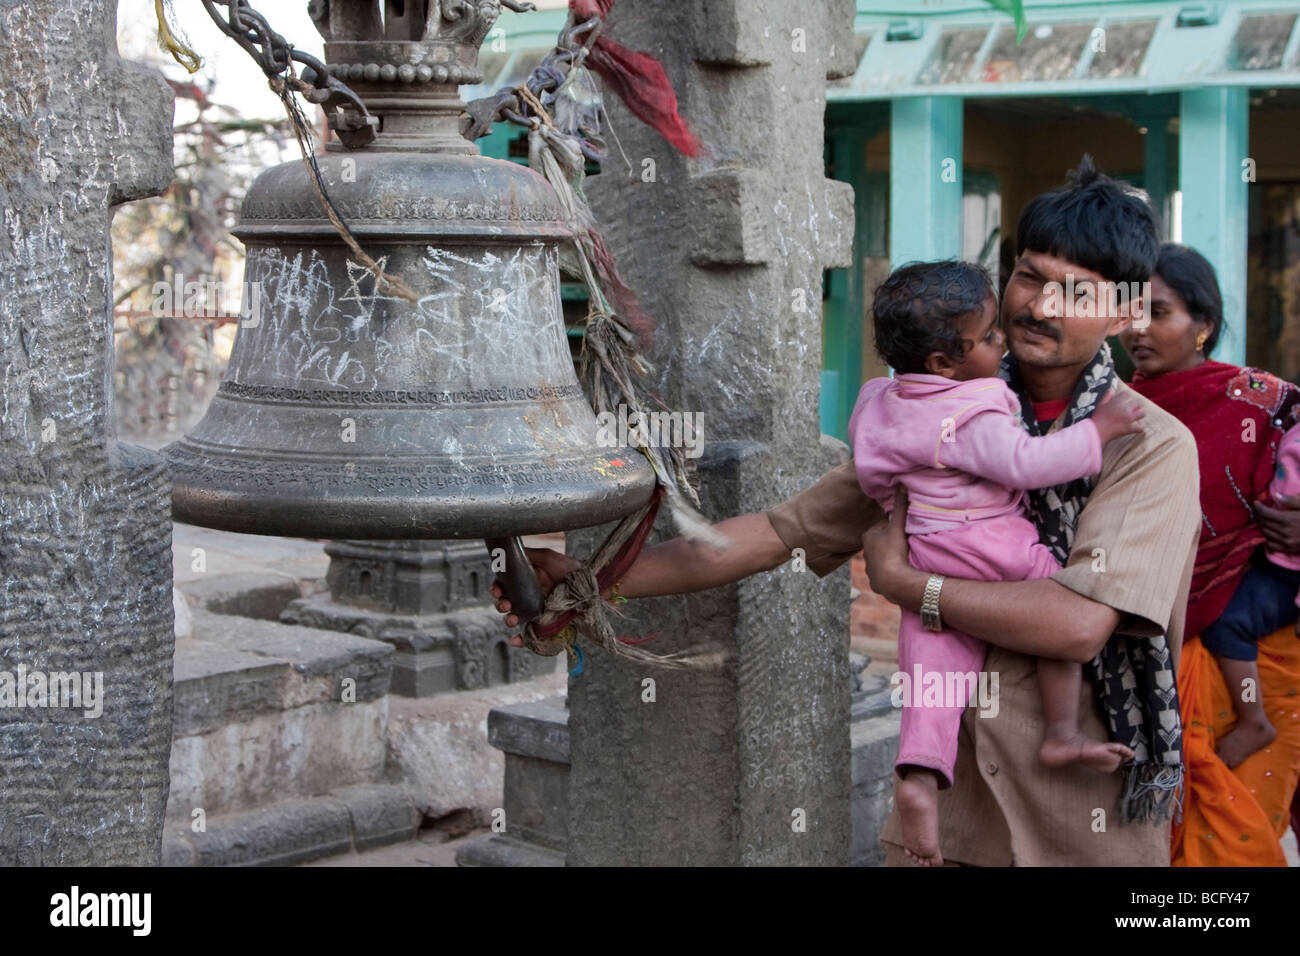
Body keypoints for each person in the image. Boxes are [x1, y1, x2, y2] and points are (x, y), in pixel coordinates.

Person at [495, 155, 1201, 866]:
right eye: (1031, 277)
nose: (1041, 307)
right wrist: (586, 578)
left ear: (1122, 312)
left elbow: (1077, 627)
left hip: (1075, 824)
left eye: (1075, 293)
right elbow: (771, 533)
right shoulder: (927, 417)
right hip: (946, 822)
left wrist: (911, 588)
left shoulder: (1149, 446)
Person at [849, 258, 1142, 865]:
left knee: (931, 679)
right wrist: (1099, 432)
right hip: (988, 543)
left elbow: (872, 475)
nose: (1001, 340)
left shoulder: (880, 400)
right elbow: (1025, 465)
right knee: (1056, 613)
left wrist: (907, 578)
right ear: (941, 363)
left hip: (924, 550)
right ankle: (1061, 734)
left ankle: (919, 776)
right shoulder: (971, 411)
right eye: (986, 339)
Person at [1119, 242, 1300, 866]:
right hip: (1143, 648)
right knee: (1152, 834)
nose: (1137, 328)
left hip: (1251, 651)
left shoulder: (1260, 401)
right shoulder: (1113, 411)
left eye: (1159, 313)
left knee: (1233, 824)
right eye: (1131, 311)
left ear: (1205, 326)